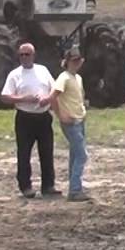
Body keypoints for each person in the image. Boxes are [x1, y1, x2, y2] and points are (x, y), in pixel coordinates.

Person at [0, 42, 58, 198]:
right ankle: (25, 186)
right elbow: (5, 96)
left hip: (43, 117)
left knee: (47, 152)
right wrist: (24, 98)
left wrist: (47, 99)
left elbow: (54, 89)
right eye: (21, 55)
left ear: (33, 55)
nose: (24, 57)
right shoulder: (14, 74)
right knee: (24, 153)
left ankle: (48, 185)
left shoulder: (43, 70)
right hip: (25, 118)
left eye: (27, 54)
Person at [50, 48, 90, 202]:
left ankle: (75, 186)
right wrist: (61, 115)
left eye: (78, 60)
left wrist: (83, 111)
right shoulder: (64, 78)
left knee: (75, 154)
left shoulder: (78, 78)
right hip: (71, 122)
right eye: (74, 61)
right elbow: (53, 97)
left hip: (79, 120)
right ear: (67, 62)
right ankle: (75, 190)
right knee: (81, 154)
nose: (77, 63)